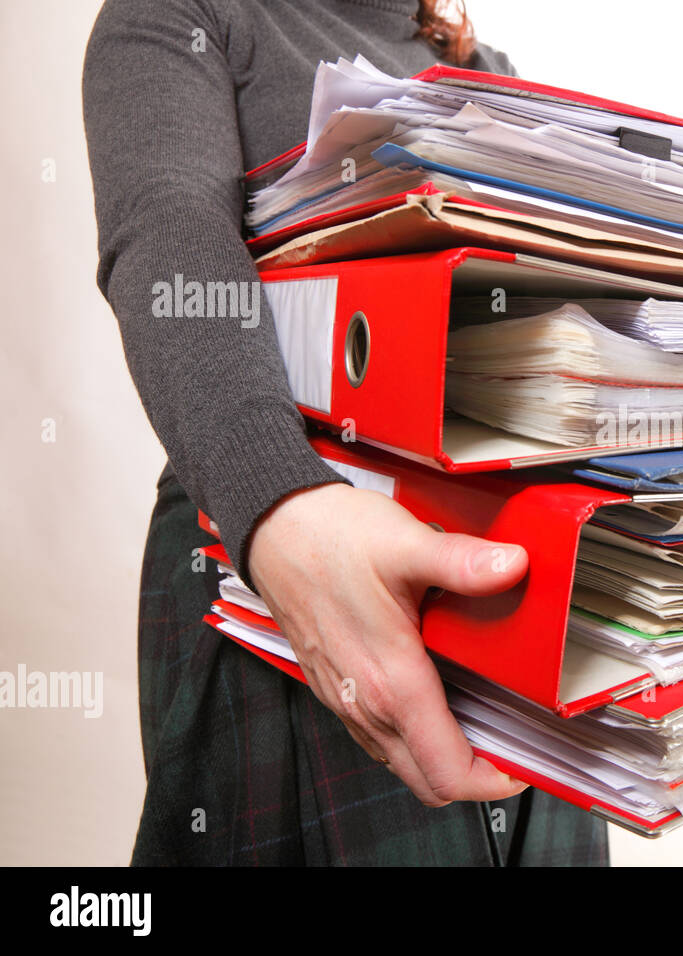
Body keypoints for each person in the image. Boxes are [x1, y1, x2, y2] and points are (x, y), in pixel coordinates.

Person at [82, 0, 609, 866]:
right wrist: (282, 507)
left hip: (506, 570)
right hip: (271, 547)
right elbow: (168, 227)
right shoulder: (186, 11)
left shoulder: (488, 68)